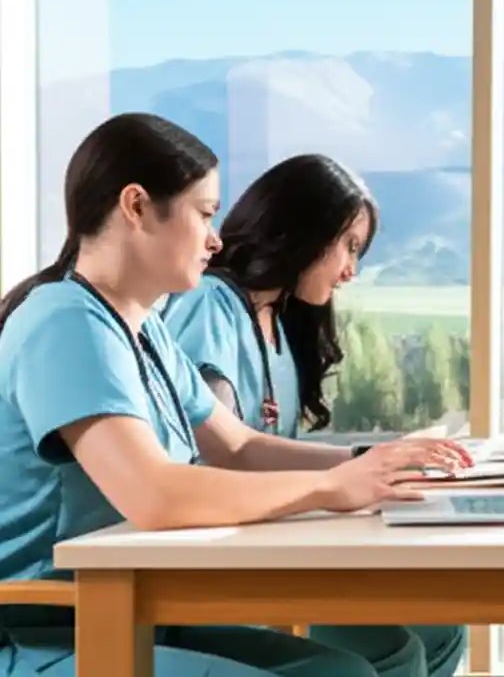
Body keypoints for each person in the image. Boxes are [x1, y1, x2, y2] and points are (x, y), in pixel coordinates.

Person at [0, 113, 469, 677]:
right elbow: (155, 495)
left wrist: (367, 465)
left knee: (341, 671)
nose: (216, 238)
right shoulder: (65, 323)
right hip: (52, 630)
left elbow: (239, 447)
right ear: (137, 206)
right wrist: (328, 486)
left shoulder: (142, 329)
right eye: (204, 214)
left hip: (138, 610)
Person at [161, 153, 467, 675]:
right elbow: (224, 452)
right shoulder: (211, 306)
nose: (351, 270)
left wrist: (386, 457)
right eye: (347, 247)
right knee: (399, 652)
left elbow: (267, 446)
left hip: (272, 540)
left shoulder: (276, 321)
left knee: (443, 631)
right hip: (224, 556)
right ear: (302, 231)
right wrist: (358, 462)